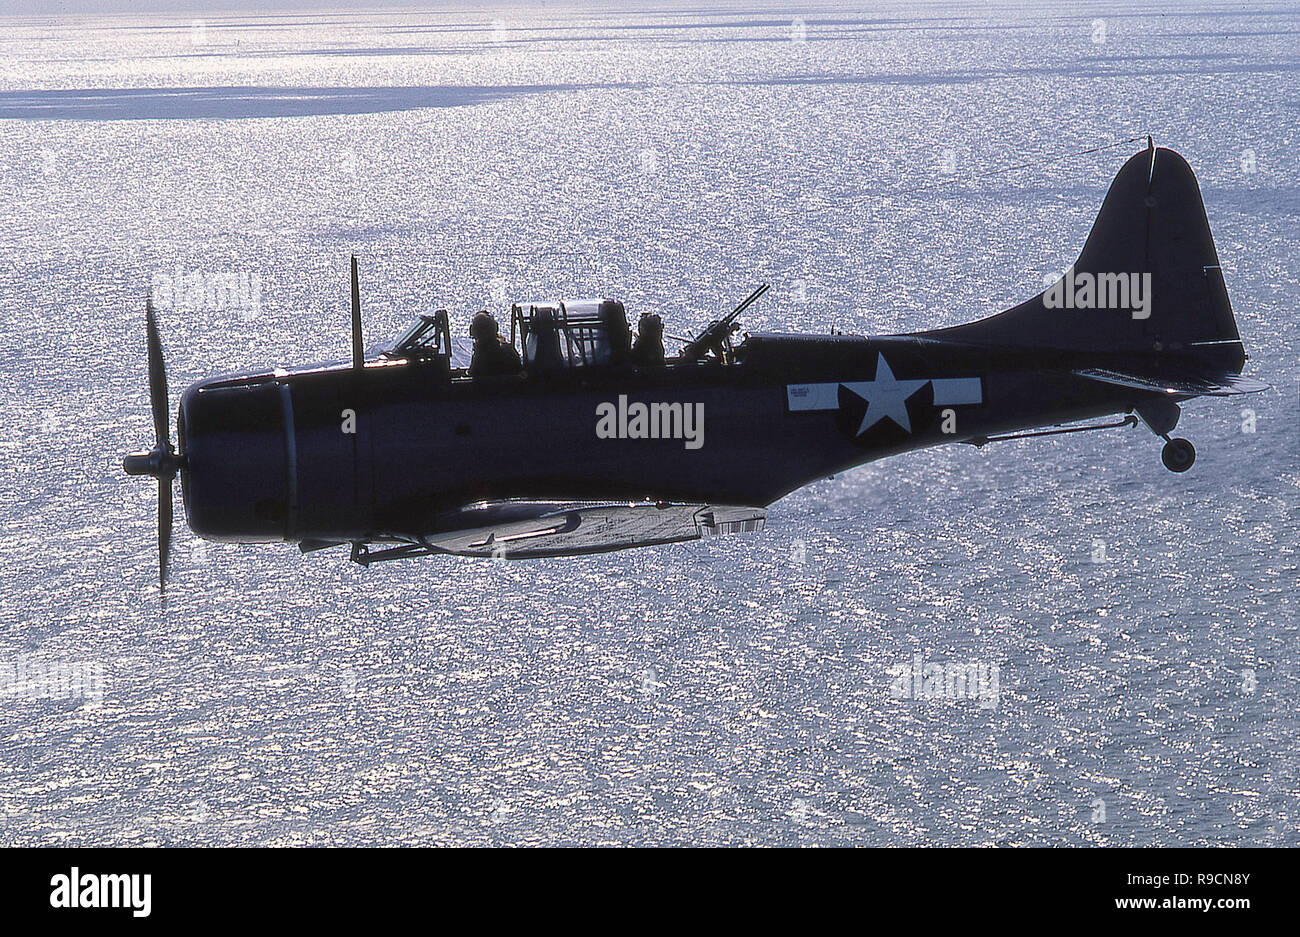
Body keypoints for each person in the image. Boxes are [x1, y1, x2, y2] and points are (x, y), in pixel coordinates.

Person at [469, 311, 522, 378]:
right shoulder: (508, 350)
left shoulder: (480, 356)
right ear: (495, 328)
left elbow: (472, 375)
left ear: (473, 331)